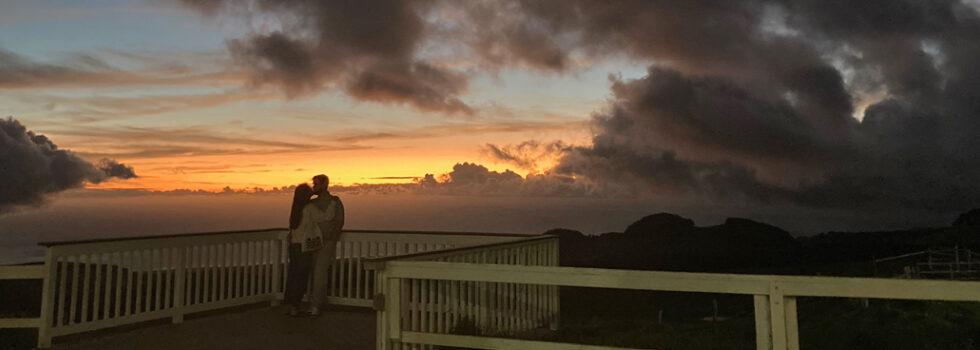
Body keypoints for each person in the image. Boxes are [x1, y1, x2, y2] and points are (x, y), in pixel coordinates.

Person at [307, 174, 345, 318]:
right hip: (312, 241)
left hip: (326, 242)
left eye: (316, 184)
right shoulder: (312, 202)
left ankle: (315, 306)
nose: (314, 186)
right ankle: (320, 302)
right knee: (315, 272)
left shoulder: (335, 201)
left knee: (319, 272)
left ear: (324, 184)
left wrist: (332, 239)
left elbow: (339, 221)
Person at [283, 184, 315, 316]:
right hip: (303, 246)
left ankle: (290, 305)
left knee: (293, 274)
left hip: (294, 246)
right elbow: (324, 216)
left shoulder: (295, 210)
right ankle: (295, 306)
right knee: (301, 276)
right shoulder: (309, 209)